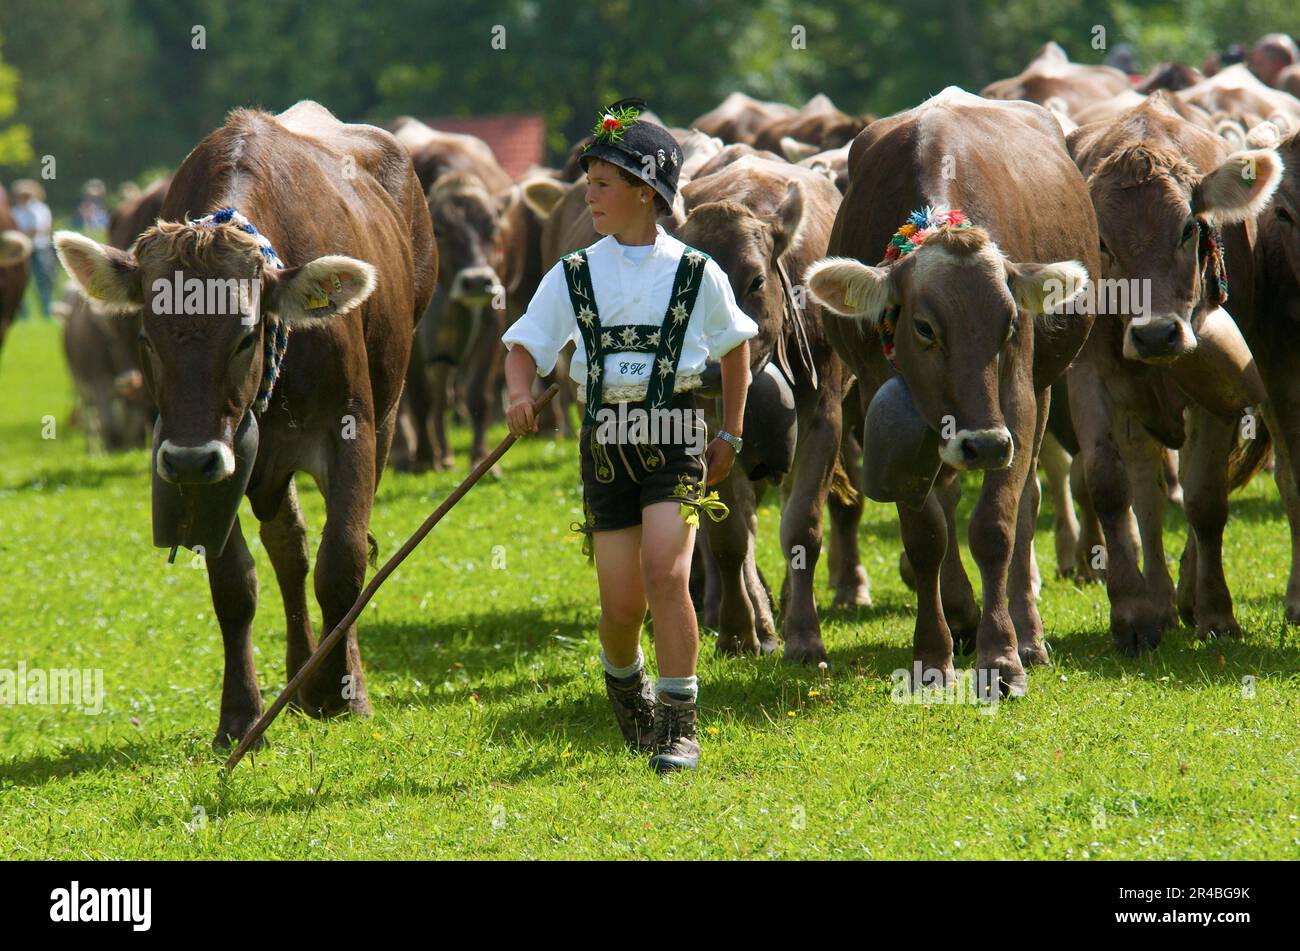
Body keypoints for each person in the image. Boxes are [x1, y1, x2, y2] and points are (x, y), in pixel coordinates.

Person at [502, 98, 757, 772]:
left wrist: (729, 431)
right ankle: (627, 685)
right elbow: (524, 344)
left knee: (668, 571)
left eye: (602, 184)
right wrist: (520, 391)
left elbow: (736, 349)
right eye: (587, 183)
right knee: (620, 601)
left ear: (645, 193)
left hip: (676, 434)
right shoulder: (574, 273)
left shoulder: (697, 274)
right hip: (605, 441)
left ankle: (679, 722)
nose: (588, 196)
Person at [10, 179, 54, 319]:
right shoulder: (14, 211)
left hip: (39, 248)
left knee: (44, 279)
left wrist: (22, 234)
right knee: (21, 280)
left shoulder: (40, 209)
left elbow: (39, 228)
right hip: (20, 250)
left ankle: (46, 310)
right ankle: (23, 313)